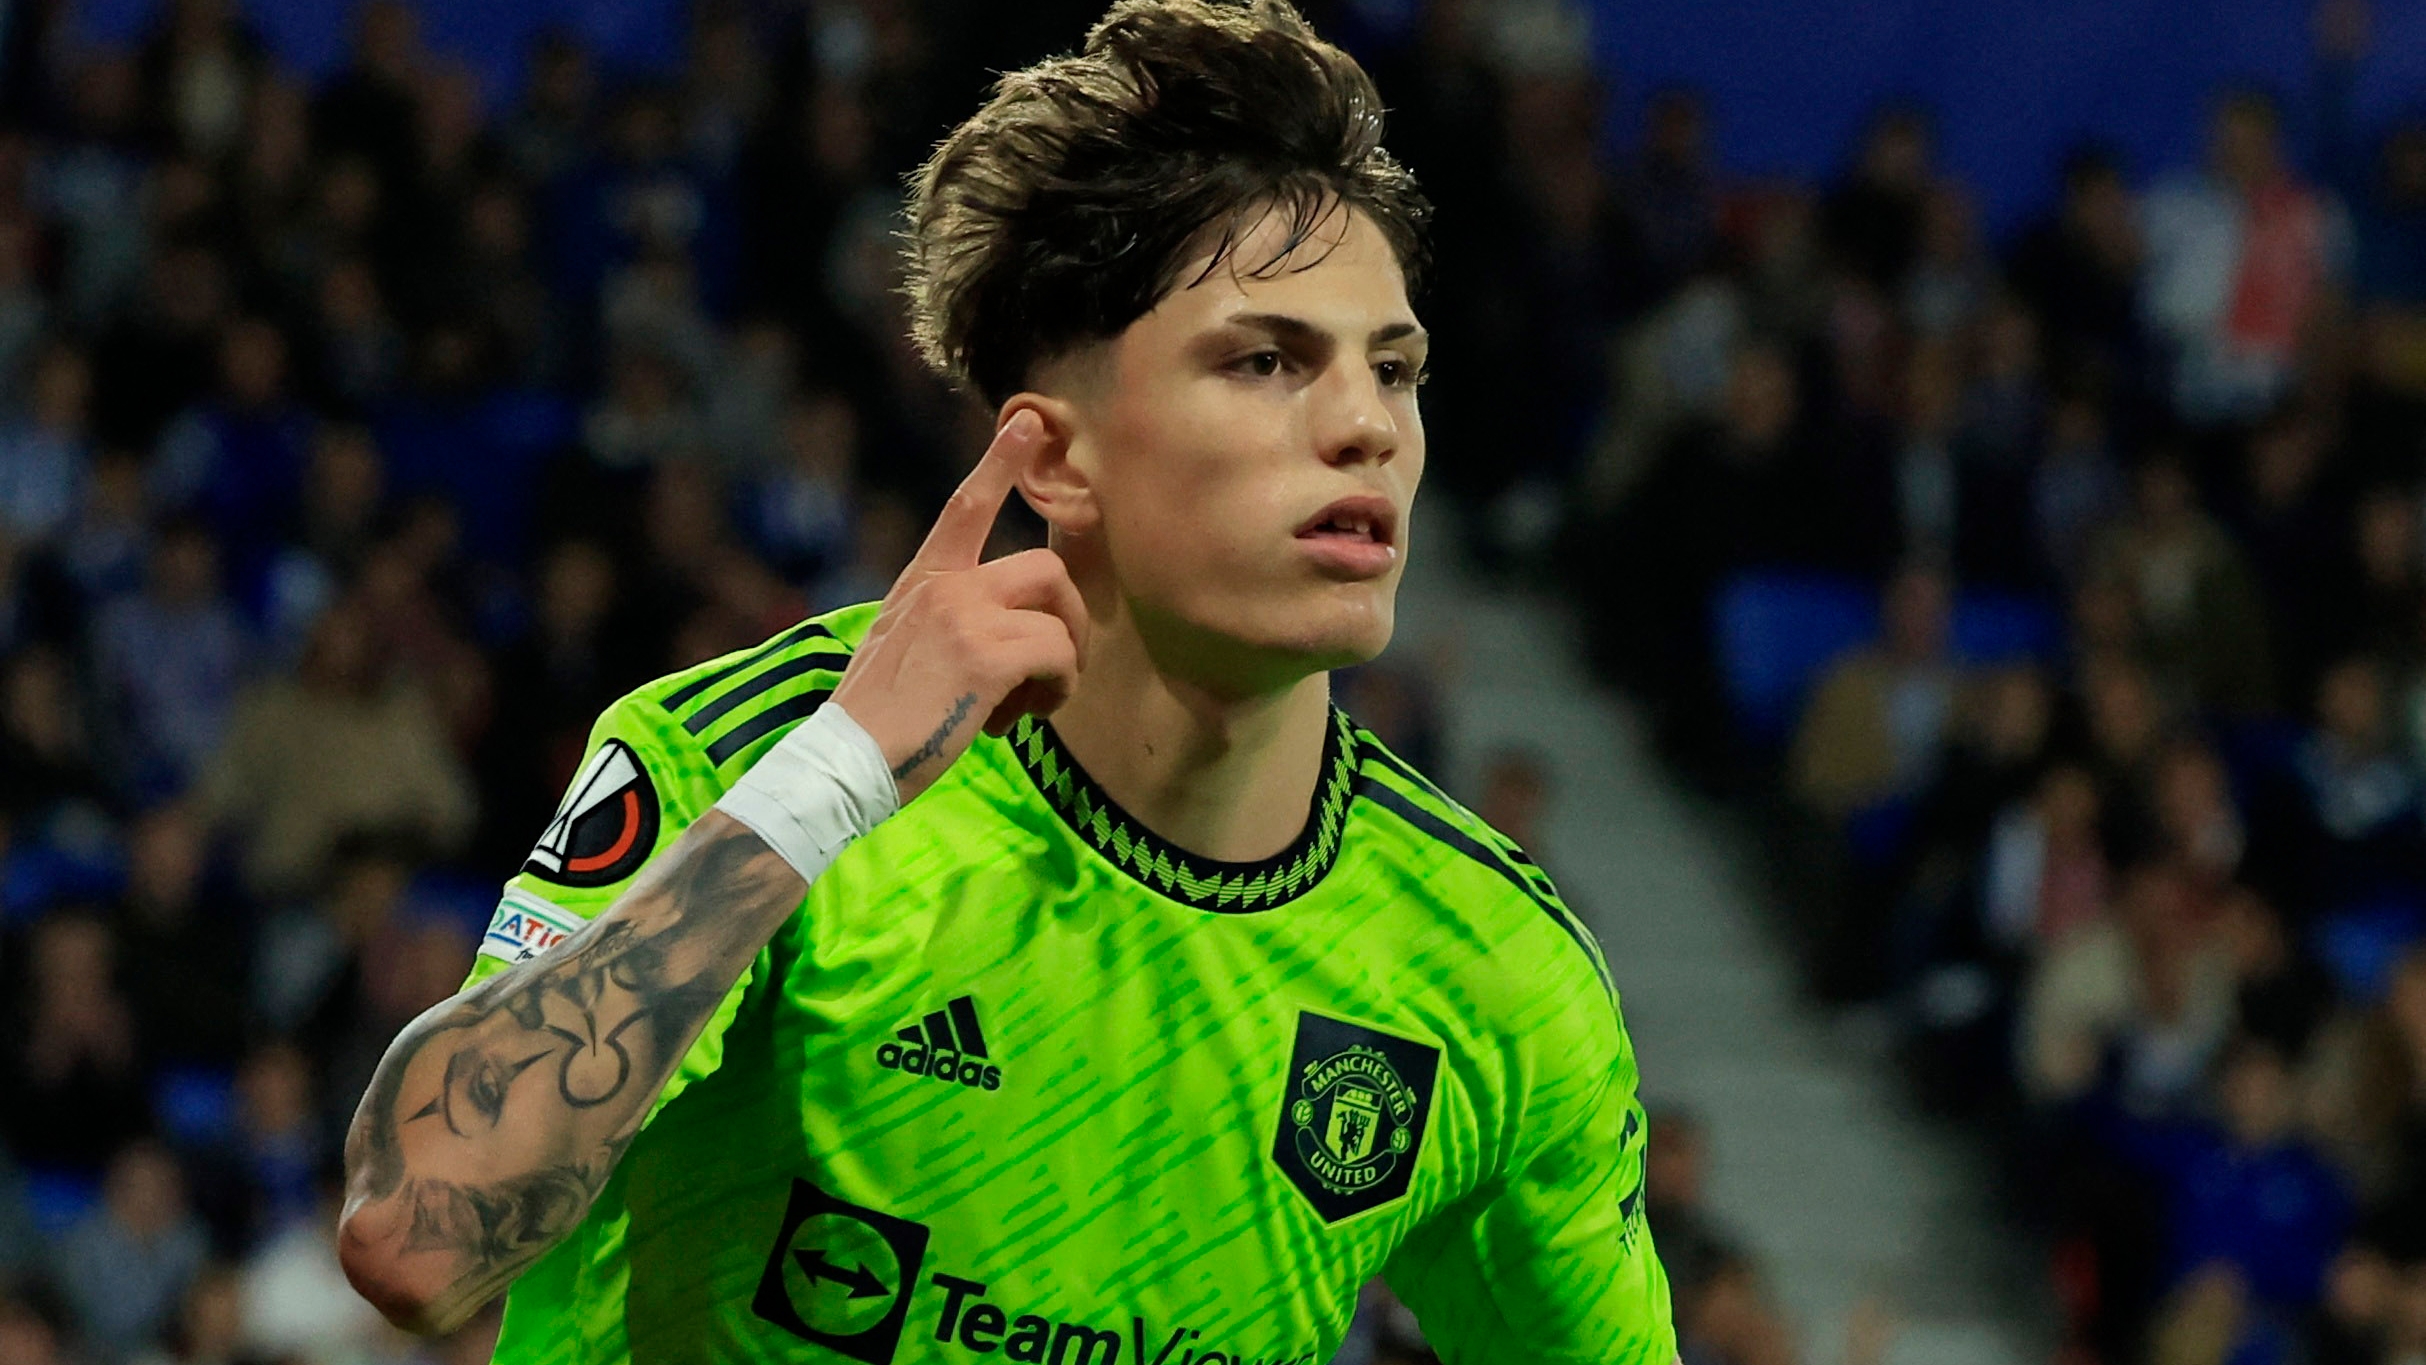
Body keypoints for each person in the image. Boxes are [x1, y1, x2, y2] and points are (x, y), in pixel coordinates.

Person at [335, 4, 1676, 1364]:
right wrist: (835, 781)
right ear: (1055, 461)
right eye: (1264, 360)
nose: (1366, 425)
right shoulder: (756, 761)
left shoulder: (1491, 967)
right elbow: (414, 1242)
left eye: (1393, 369)